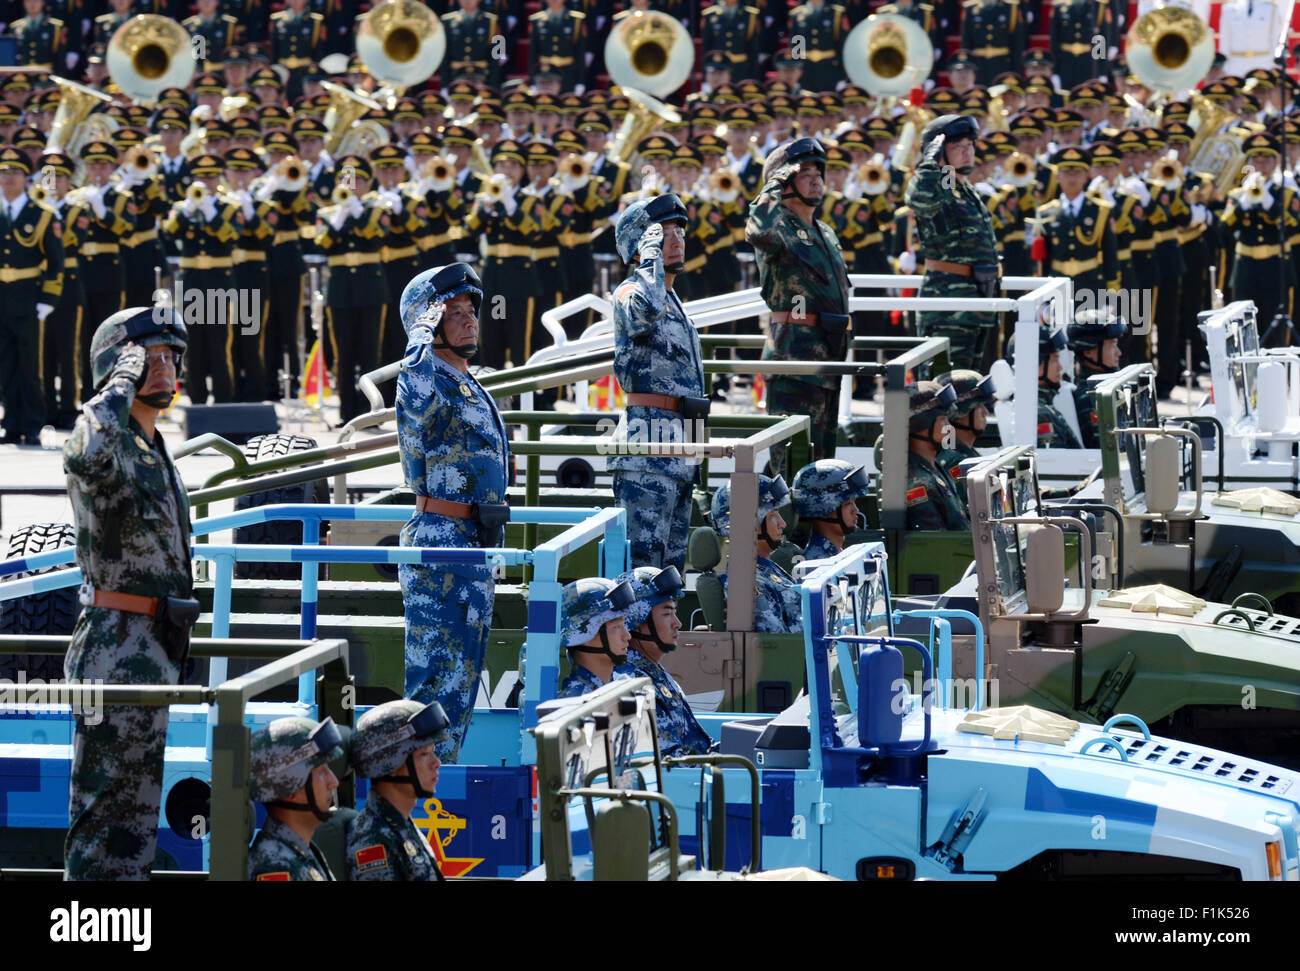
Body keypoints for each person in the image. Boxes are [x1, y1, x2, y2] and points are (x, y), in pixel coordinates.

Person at [63, 307, 196, 880]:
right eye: (149, 356)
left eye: (171, 356)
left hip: (152, 650)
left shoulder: (152, 445)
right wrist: (119, 381)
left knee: (135, 827)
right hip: (113, 653)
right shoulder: (106, 436)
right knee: (101, 824)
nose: (164, 367)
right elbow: (82, 455)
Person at [396, 264, 509, 763]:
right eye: (453, 314)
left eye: (471, 312)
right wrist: (420, 329)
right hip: (442, 546)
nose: (469, 322)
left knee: (461, 686)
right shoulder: (425, 376)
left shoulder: (466, 380)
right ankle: (415, 804)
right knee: (435, 689)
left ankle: (441, 791)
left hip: (474, 546)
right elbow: (414, 394)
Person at [610, 194, 707, 574]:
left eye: (679, 230)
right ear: (639, 248)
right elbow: (645, 313)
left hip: (678, 453)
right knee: (641, 572)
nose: (676, 238)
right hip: (647, 456)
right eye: (662, 233)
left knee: (669, 577)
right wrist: (649, 256)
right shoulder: (634, 292)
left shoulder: (672, 298)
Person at [747, 138, 852, 468]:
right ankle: (782, 521)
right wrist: (774, 182)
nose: (816, 179)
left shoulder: (826, 231)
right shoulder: (777, 226)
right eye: (804, 172)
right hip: (794, 358)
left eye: (819, 172)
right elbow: (757, 232)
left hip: (830, 356)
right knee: (793, 461)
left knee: (823, 463)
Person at [904, 115, 1001, 373]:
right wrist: (930, 163)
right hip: (949, 304)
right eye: (957, 146)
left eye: (970, 145)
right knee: (942, 387)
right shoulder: (940, 185)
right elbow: (920, 201)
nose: (967, 151)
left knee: (970, 387)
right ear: (938, 152)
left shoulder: (965, 189)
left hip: (977, 302)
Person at [615, 566, 715, 755]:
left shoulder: (654, 673)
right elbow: (669, 764)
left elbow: (698, 746)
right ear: (638, 621)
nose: (678, 623)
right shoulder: (633, 684)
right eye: (667, 614)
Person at [347, 700, 452, 881]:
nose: (436, 763)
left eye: (433, 752)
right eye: (424, 754)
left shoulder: (400, 825)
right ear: (391, 763)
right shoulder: (373, 841)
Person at [0, 145, 63, 443]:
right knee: (5, 364)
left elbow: (55, 261)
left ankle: (33, 424)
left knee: (30, 365)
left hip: (28, 297)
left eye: (15, 172)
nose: (8, 177)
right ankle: (11, 423)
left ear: (27, 177)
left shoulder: (42, 215)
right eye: (3, 171)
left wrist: (48, 300)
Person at [247, 715, 342, 881]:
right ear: (289, 785)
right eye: (321, 772)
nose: (334, 782)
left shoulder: (296, 852)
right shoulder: (276, 867)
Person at [711, 474, 801, 633]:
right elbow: (778, 646)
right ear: (749, 525)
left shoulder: (763, 570)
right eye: (773, 516)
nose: (783, 524)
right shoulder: (747, 583)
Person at [905, 381, 971, 531]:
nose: (949, 427)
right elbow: (935, 543)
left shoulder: (933, 468)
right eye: (942, 419)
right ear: (921, 424)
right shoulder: (918, 482)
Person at [558, 577, 635, 698]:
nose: (627, 636)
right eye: (616, 627)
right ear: (585, 633)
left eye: (623, 625)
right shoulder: (580, 702)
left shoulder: (616, 687)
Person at [933, 369, 995, 510]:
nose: (985, 412)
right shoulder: (955, 462)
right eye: (979, 406)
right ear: (960, 413)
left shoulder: (964, 453)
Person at [791, 459, 870, 562]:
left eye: (854, 502)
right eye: (847, 504)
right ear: (823, 510)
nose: (856, 510)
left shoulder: (833, 554)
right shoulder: (818, 563)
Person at [1067, 309, 1124, 447]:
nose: (1119, 352)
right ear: (1088, 351)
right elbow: (1110, 447)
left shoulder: (1105, 388)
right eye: (1112, 345)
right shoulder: (1091, 398)